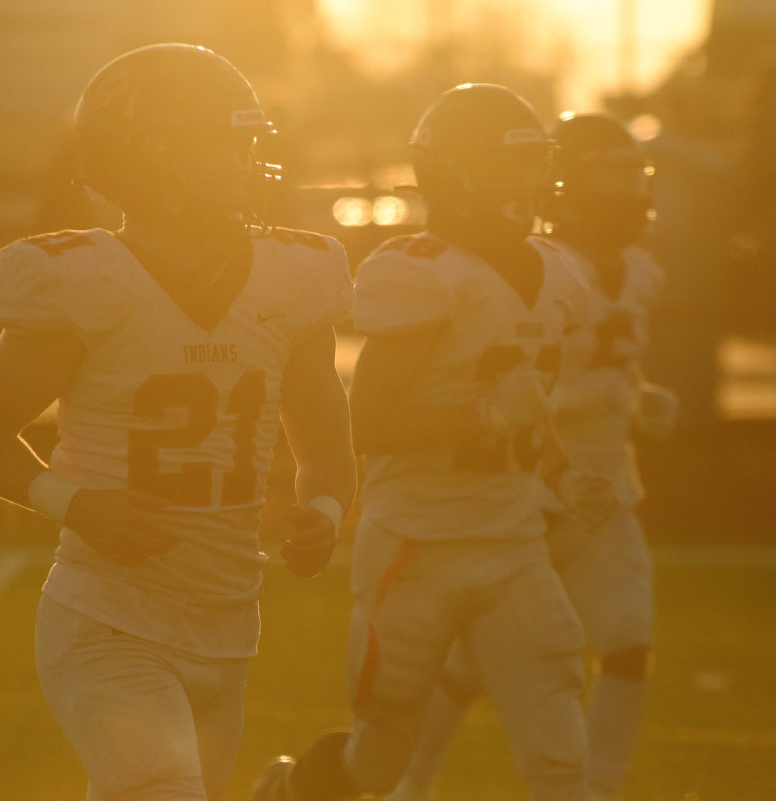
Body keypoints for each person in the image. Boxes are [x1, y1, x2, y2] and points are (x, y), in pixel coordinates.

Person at [0, 43, 357, 801]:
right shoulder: (85, 283)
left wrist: (324, 508)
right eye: (218, 144)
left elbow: (328, 439)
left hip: (229, 621)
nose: (240, 163)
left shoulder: (291, 280)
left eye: (244, 143)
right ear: (148, 158)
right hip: (108, 620)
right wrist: (75, 504)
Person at [250, 84, 615, 801]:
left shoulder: (559, 275)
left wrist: (564, 473)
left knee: (560, 743)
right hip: (417, 546)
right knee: (381, 756)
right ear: (458, 174)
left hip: (514, 542)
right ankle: (290, 792)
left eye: (532, 164)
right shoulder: (422, 272)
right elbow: (372, 421)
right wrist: (479, 417)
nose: (529, 183)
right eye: (509, 167)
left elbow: (526, 413)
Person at [385, 113, 677, 801]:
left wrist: (638, 396)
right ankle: (407, 781)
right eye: (610, 177)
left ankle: (601, 789)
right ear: (566, 188)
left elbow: (612, 360)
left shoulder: (639, 271)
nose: (627, 192)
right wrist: (573, 404)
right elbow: (512, 372)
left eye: (633, 176)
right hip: (534, 484)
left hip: (607, 487)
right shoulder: (537, 268)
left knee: (629, 642)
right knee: (473, 662)